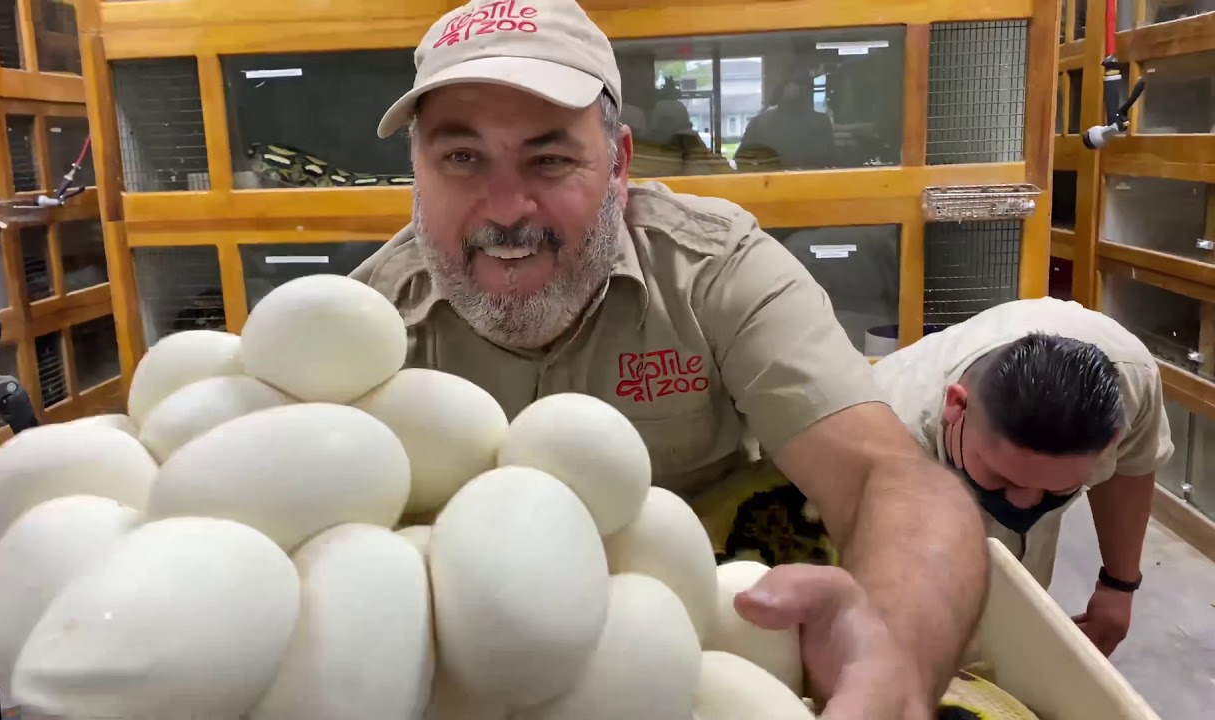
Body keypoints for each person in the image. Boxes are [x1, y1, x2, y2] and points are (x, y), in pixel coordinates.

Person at [352, 1, 988, 716]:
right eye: (461, 157)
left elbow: (890, 476)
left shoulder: (712, 272)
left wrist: (894, 659)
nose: (506, 208)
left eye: (550, 158)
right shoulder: (365, 331)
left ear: (619, 163)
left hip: (707, 639)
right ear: (416, 168)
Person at [871, 297, 1174, 657]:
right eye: (1003, 479)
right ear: (957, 406)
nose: (1025, 504)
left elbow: (1132, 465)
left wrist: (1118, 586)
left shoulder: (1131, 379)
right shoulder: (883, 429)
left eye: (1057, 487)